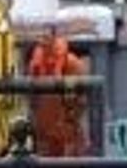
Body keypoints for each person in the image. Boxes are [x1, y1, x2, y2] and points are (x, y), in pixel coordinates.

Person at [27, 28, 88, 157]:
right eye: (41, 40)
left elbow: (81, 100)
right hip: (44, 130)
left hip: (67, 129)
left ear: (54, 38)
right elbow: (32, 99)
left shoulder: (71, 63)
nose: (44, 42)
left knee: (69, 160)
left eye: (47, 38)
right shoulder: (36, 65)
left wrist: (72, 117)